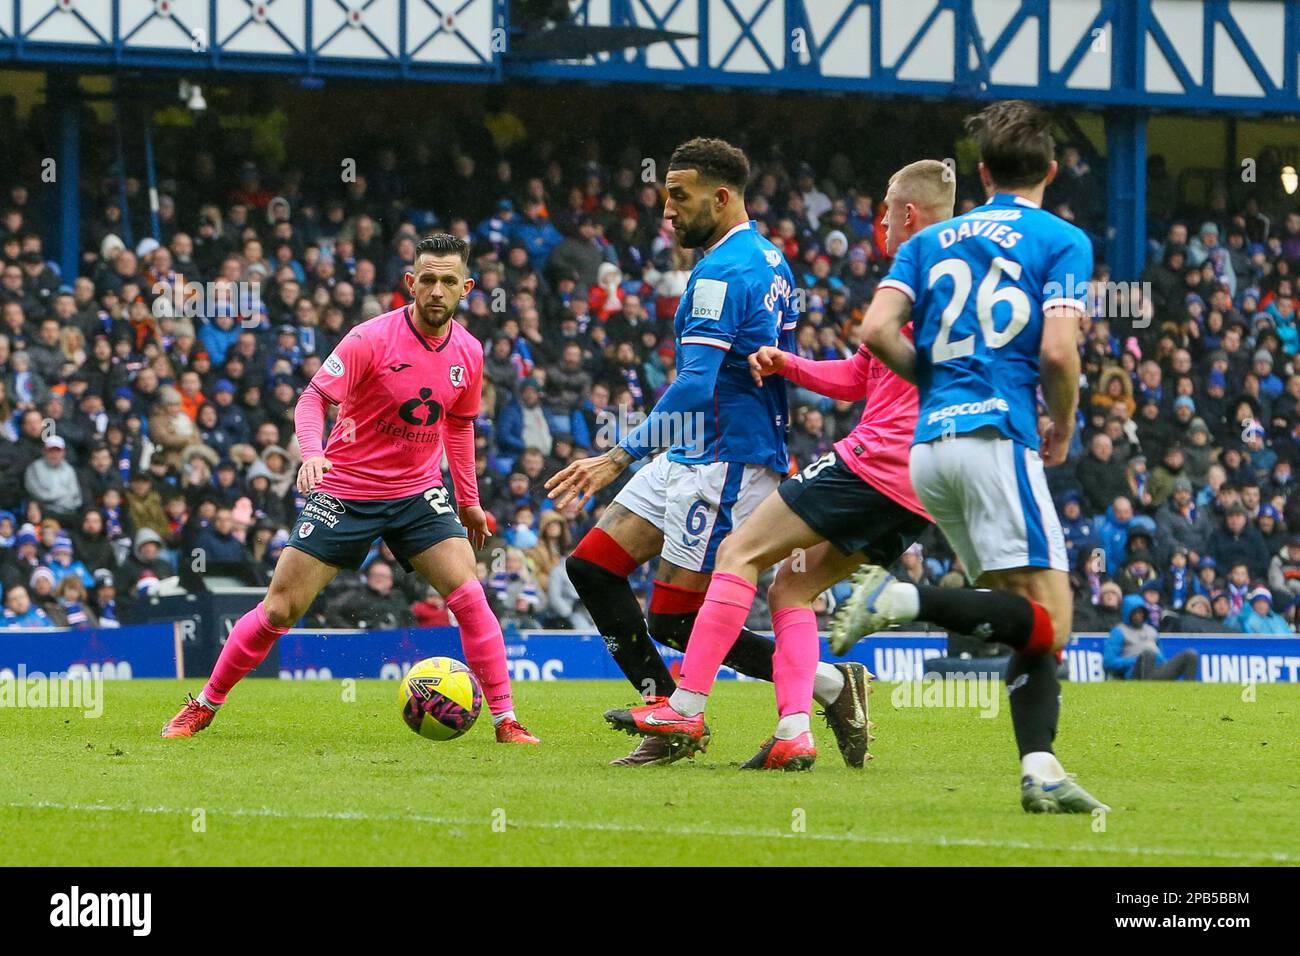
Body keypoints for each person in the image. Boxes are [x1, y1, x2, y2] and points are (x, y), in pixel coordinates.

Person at [601, 160, 952, 770]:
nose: (879, 223)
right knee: (793, 585)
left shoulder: (913, 275)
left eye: (886, 210)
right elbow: (854, 380)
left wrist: (621, 450)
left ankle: (684, 706)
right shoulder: (966, 280)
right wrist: (788, 364)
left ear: (908, 215)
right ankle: (796, 729)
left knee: (741, 554)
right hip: (925, 487)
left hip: (873, 463)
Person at [824, 101, 1108, 812]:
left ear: (982, 174)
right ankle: (900, 599)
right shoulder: (1063, 239)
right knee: (1054, 624)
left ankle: (1040, 769)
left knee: (1021, 617)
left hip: (931, 451)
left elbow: (877, 329)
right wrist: (1066, 425)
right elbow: (1056, 351)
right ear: (1050, 169)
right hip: (994, 439)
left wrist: (936, 382)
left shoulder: (931, 242)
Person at [546, 138, 861, 767]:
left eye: (679, 197)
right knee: (592, 566)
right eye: (665, 196)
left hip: (724, 460)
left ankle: (789, 694)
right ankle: (683, 706)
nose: (667, 211)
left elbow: (695, 383)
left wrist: (619, 455)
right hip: (693, 449)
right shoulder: (768, 258)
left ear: (721, 197)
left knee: (673, 619)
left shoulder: (724, 270)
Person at [161, 234, 538, 744]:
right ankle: (204, 704)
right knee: (279, 609)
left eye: (448, 281)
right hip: (345, 489)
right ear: (410, 282)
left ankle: (505, 721)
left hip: (417, 492)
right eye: (426, 279)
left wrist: (468, 501)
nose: (436, 290)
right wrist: (313, 453)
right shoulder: (369, 338)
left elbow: (459, 426)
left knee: (470, 595)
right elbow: (313, 398)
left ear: (466, 288)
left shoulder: (469, 353)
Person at [1104, 595, 1199, 679]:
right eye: (1134, 613)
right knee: (1148, 654)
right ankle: (1147, 690)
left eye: (1140, 612)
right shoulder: (1119, 631)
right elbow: (1109, 662)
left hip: (1157, 670)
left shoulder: (1152, 631)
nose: (1138, 616)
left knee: (1191, 655)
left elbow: (1161, 655)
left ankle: (1189, 690)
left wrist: (1160, 661)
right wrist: (1135, 660)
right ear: (1127, 613)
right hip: (1135, 673)